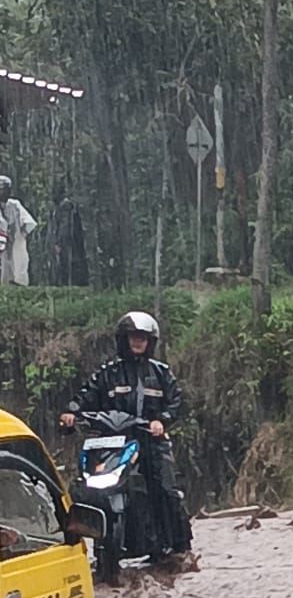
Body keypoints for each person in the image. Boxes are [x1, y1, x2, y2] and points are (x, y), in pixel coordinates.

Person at [59, 311, 191, 557]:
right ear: (124, 339)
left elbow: (176, 403)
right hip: (112, 442)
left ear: (150, 341)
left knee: (166, 489)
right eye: (133, 337)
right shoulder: (107, 373)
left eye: (142, 337)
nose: (137, 341)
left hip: (150, 442)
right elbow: (85, 396)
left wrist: (161, 421)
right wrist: (71, 413)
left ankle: (179, 546)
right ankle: (93, 538)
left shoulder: (161, 373)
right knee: (88, 486)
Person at [46, 184, 88, 286]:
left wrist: (59, 243)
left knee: (69, 264)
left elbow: (65, 227)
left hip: (68, 243)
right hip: (66, 242)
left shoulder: (66, 206)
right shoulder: (59, 207)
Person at [0, 175, 38, 286]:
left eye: (5, 190)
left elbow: (28, 222)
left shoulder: (14, 204)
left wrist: (22, 233)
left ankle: (19, 285)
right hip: (2, 244)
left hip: (16, 241)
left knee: (18, 264)